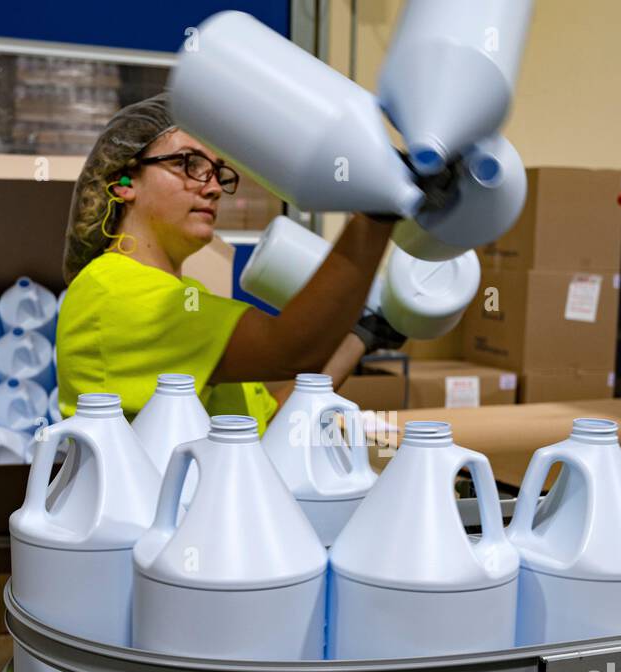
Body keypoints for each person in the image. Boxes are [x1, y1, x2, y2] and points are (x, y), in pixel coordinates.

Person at [57, 92, 406, 431]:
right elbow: (289, 349)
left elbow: (273, 421)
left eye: (217, 173)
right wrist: (375, 215)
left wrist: (361, 335)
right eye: (187, 164)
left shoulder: (185, 295)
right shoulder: (115, 291)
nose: (213, 188)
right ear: (124, 183)